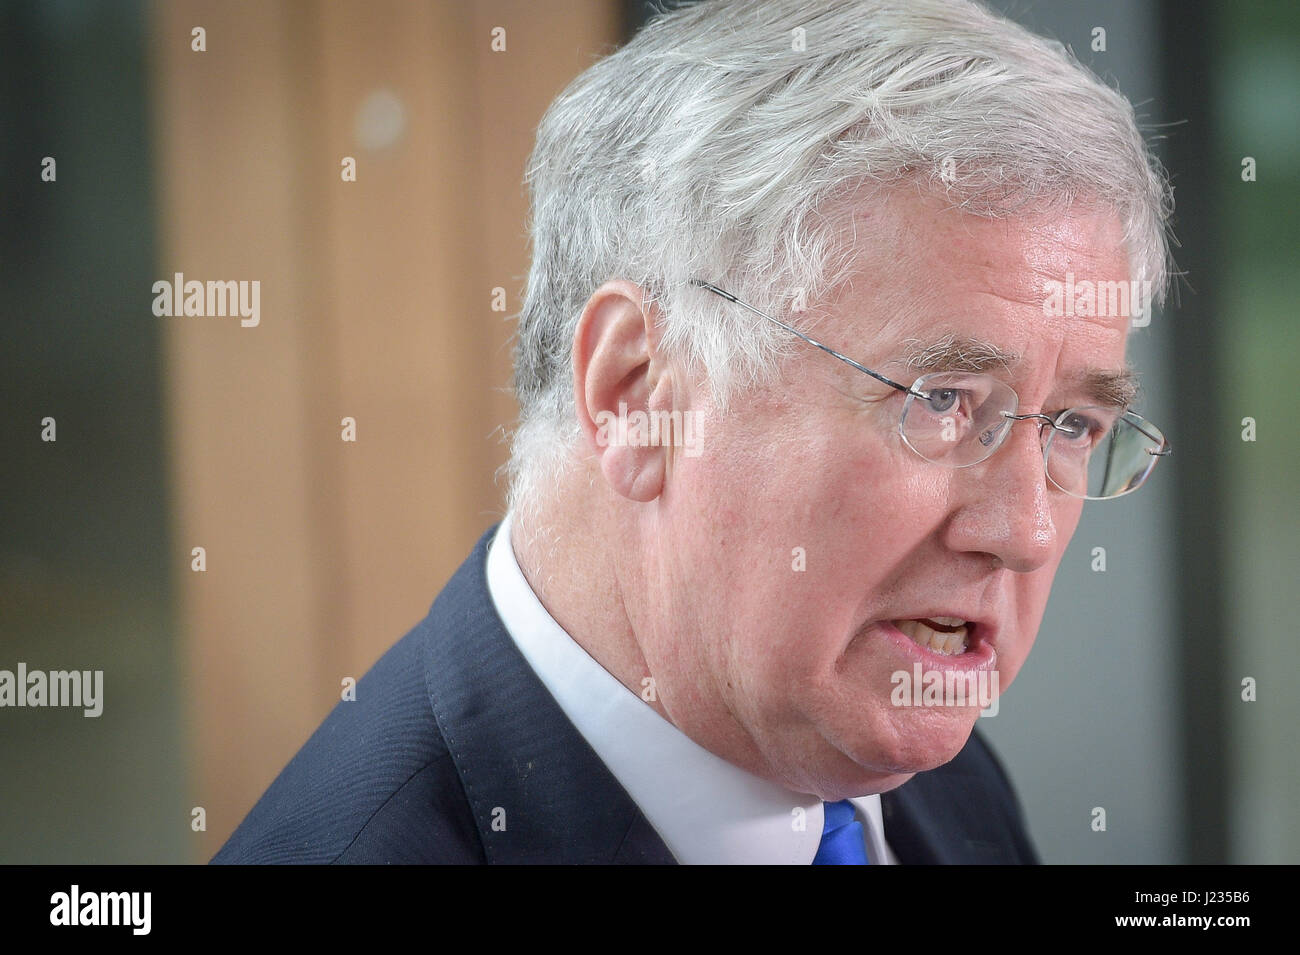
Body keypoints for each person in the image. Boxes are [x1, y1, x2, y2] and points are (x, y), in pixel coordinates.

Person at [213, 0, 1172, 864]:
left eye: (1074, 424)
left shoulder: (945, 788)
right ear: (636, 391)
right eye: (943, 399)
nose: (1026, 531)